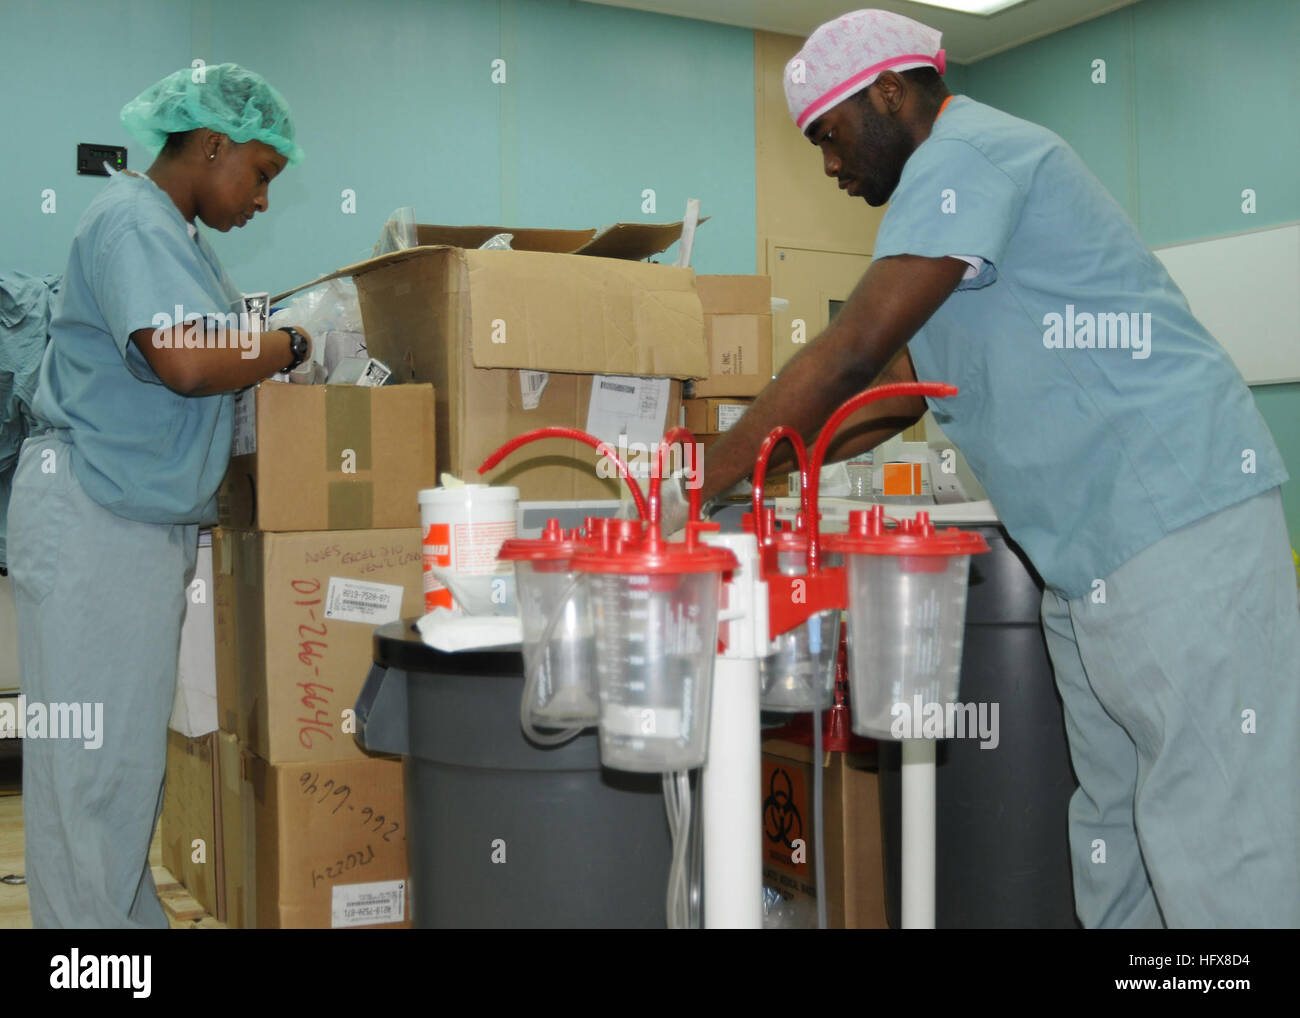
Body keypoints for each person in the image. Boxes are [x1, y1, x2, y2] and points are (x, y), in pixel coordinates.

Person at [696, 9, 1300, 928]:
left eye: (829, 134)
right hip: (1091, 563)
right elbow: (891, 393)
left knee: (1216, 825)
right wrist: (761, 477)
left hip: (1176, 531)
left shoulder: (967, 158)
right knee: (1116, 826)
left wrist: (698, 481)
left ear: (890, 93)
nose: (827, 163)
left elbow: (854, 353)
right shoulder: (939, 219)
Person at [7, 63, 314, 927]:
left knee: (119, 771)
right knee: (90, 779)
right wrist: (289, 342)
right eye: (260, 174)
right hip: (91, 521)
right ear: (211, 144)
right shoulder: (132, 219)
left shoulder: (177, 239)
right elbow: (185, 363)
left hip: (125, 523)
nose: (261, 200)